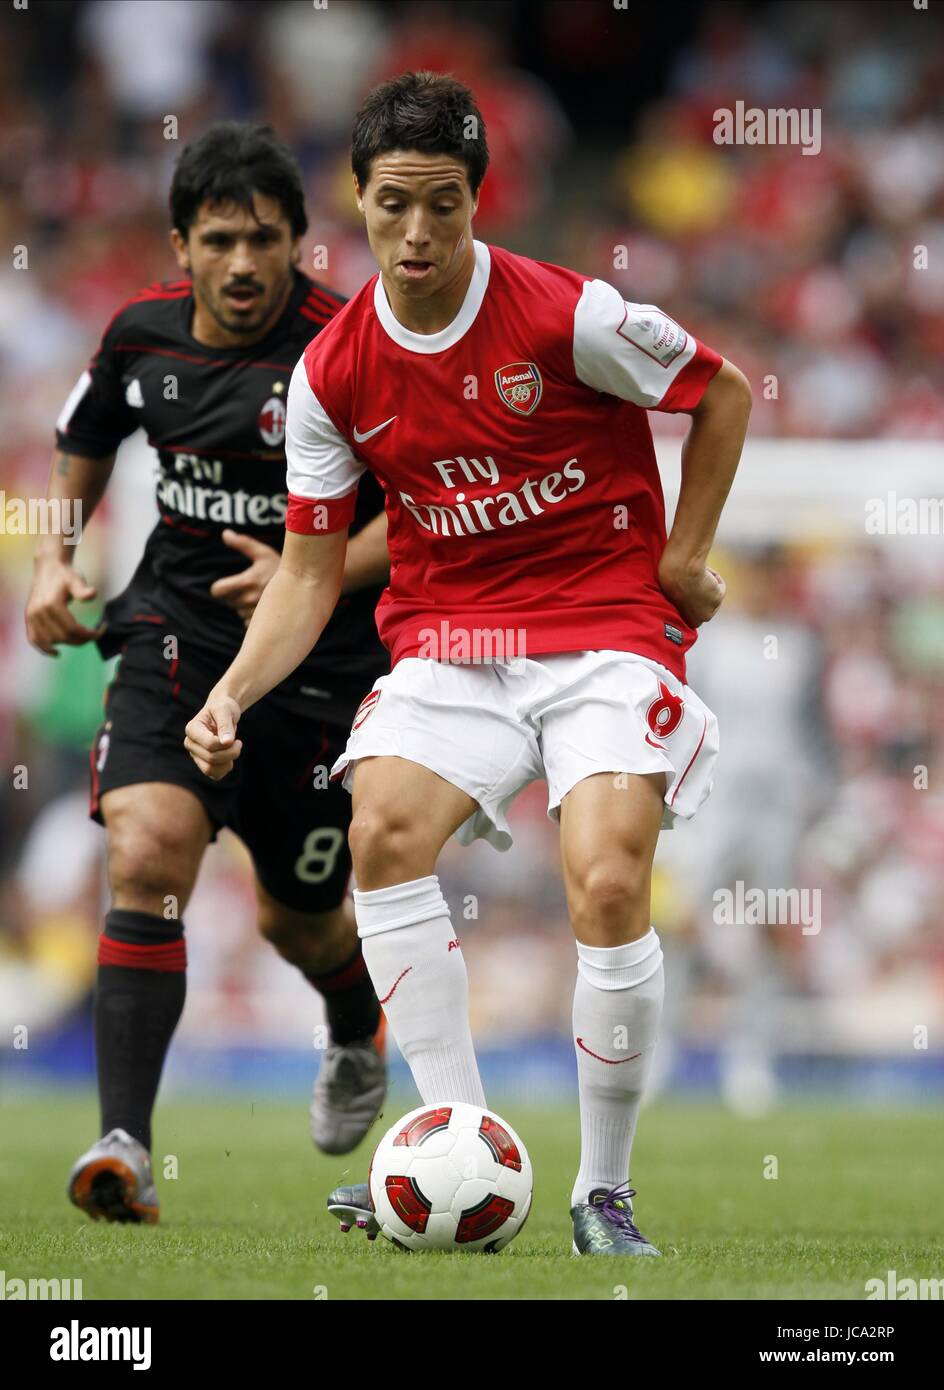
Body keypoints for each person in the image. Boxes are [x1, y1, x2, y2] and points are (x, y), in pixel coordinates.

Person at [184, 75, 752, 1256]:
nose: (417, 233)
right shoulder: (335, 375)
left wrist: (686, 553)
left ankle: (603, 1192)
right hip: (454, 634)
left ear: (476, 201)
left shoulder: (563, 315)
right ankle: (455, 1139)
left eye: (442, 204)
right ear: (357, 200)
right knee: (382, 825)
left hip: (601, 624)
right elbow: (307, 569)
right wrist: (232, 690)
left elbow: (721, 391)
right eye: (393, 205)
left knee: (603, 879)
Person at [26, 122, 391, 1225]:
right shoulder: (139, 339)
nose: (244, 263)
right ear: (181, 245)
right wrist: (52, 553)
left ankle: (351, 1025)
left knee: (299, 920)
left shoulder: (350, 344)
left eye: (266, 240)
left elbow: (427, 508)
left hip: (320, 666)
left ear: (299, 245)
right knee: (145, 847)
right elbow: (81, 444)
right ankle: (125, 1145)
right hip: (175, 633)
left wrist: (310, 566)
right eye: (221, 239)